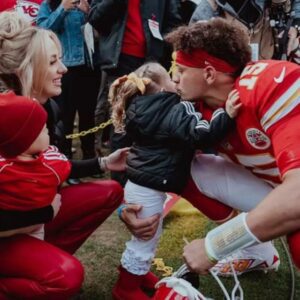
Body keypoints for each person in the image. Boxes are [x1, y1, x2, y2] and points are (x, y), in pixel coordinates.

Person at [0, 11, 127, 299]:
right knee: (68, 278)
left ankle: (41, 257)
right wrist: (43, 213)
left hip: (29, 218)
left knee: (109, 190)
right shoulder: (6, 118)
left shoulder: (46, 108)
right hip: (10, 228)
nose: (65, 69)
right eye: (54, 61)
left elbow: (50, 167)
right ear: (28, 68)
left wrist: (105, 162)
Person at [162, 18, 300, 274]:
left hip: (293, 187)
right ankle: (258, 253)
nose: (174, 78)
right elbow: (158, 162)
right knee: (182, 168)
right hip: (276, 184)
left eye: (181, 70)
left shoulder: (270, 84)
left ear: (209, 74)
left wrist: (217, 244)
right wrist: (144, 206)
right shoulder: (194, 108)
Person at [109, 61, 240, 299]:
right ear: (162, 89)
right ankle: (125, 288)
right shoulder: (174, 108)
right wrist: (226, 113)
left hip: (139, 184)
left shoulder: (138, 107)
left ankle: (137, 274)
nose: (177, 81)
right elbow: (202, 133)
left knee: (146, 236)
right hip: (150, 186)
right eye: (172, 77)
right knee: (145, 239)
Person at [88, 0, 182, 186]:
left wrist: (162, 48)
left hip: (152, 66)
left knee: (152, 124)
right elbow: (96, 19)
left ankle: (147, 182)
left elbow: (174, 22)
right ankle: (121, 188)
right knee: (120, 127)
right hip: (118, 63)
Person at [37, 0, 101, 169]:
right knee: (65, 115)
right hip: (64, 68)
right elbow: (43, 32)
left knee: (88, 113)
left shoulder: (87, 2)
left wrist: (89, 13)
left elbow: (102, 28)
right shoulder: (49, 5)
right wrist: (62, 9)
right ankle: (64, 158)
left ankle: (89, 156)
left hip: (89, 67)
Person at [0, 92, 70, 240]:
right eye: (44, 130)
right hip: (36, 226)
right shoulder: (51, 164)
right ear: (27, 140)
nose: (48, 133)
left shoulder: (3, 167)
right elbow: (65, 166)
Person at [190, 0, 300, 63]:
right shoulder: (210, 7)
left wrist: (295, 25)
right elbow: (192, 53)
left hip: (271, 68)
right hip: (230, 81)